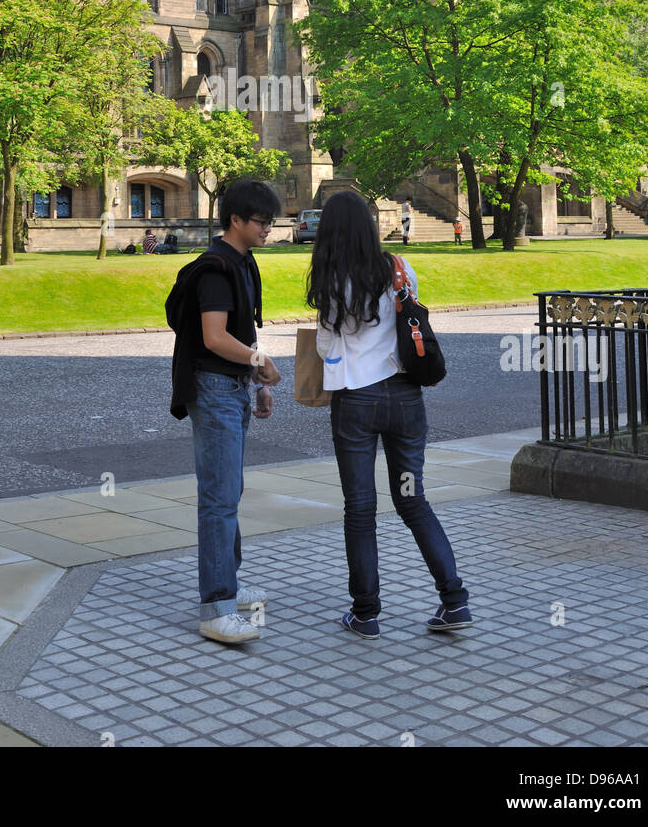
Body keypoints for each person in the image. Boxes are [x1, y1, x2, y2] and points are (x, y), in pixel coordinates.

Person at [307, 190, 471, 640]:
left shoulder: (334, 278)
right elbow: (410, 321)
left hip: (356, 401)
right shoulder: (400, 268)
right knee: (413, 499)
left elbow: (325, 347)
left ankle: (366, 612)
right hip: (405, 398)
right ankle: (454, 600)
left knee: (360, 508)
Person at [168, 179, 282, 645]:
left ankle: (227, 587)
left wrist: (257, 382)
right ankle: (215, 607)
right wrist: (259, 362)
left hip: (232, 386)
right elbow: (214, 338)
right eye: (262, 222)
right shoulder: (216, 269)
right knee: (218, 497)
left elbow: (243, 332)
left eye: (271, 222)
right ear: (235, 219)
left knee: (229, 491)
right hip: (212, 388)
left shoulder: (244, 264)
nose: (269, 230)